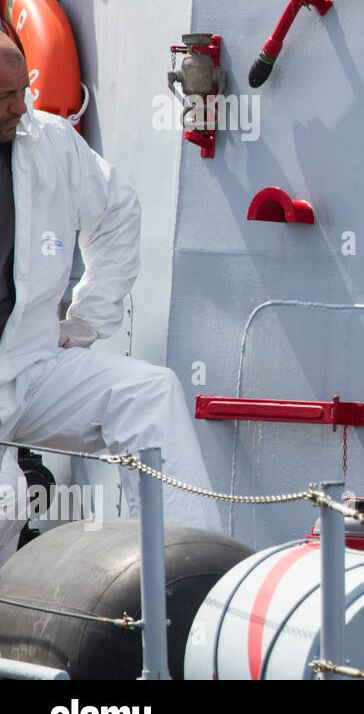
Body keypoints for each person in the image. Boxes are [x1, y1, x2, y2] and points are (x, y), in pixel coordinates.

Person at [0, 33, 221, 564]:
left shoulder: (49, 142)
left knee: (150, 395)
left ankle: (185, 577)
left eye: (20, 90)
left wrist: (84, 323)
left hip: (28, 364)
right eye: (3, 98)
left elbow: (118, 213)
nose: (17, 107)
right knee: (6, 496)